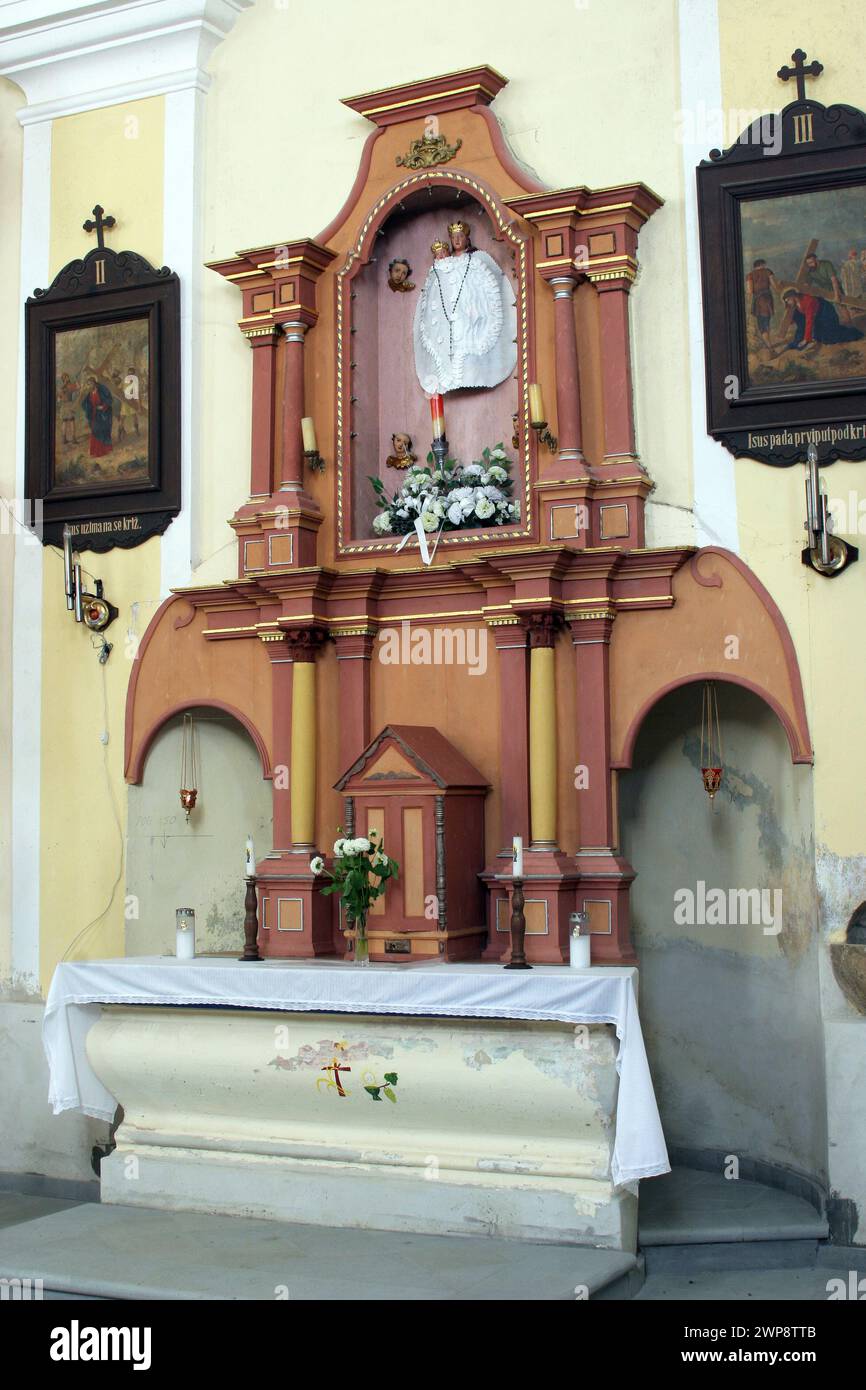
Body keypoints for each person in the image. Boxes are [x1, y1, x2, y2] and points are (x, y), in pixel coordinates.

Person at [413, 219, 517, 394]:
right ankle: (450, 374)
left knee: (467, 336)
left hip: (469, 313)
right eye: (454, 237)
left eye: (460, 236)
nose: (457, 240)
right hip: (449, 316)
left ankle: (473, 372)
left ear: (467, 239)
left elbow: (487, 285)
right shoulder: (443, 266)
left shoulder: (477, 259)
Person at [778, 286, 863, 351]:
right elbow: (800, 321)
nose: (788, 302)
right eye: (786, 301)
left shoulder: (808, 301)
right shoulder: (795, 305)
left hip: (826, 313)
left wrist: (806, 339)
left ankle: (855, 333)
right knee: (815, 335)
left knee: (829, 337)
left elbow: (809, 320)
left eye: (788, 300)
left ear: (793, 296)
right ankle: (797, 341)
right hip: (818, 316)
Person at [746, 259, 779, 350]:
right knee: (766, 321)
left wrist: (749, 303)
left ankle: (768, 345)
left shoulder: (750, 275)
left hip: (758, 301)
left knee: (761, 322)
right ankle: (768, 344)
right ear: (762, 264)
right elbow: (775, 286)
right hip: (767, 299)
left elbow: (750, 291)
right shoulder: (768, 271)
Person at [81, 375, 114, 457]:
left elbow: (109, 399)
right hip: (94, 415)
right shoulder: (90, 393)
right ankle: (94, 451)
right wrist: (89, 408)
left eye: (90, 384)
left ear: (94, 383)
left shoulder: (102, 390)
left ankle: (102, 451)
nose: (89, 386)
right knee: (95, 431)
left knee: (102, 431)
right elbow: (85, 403)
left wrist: (103, 406)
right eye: (88, 384)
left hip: (103, 414)